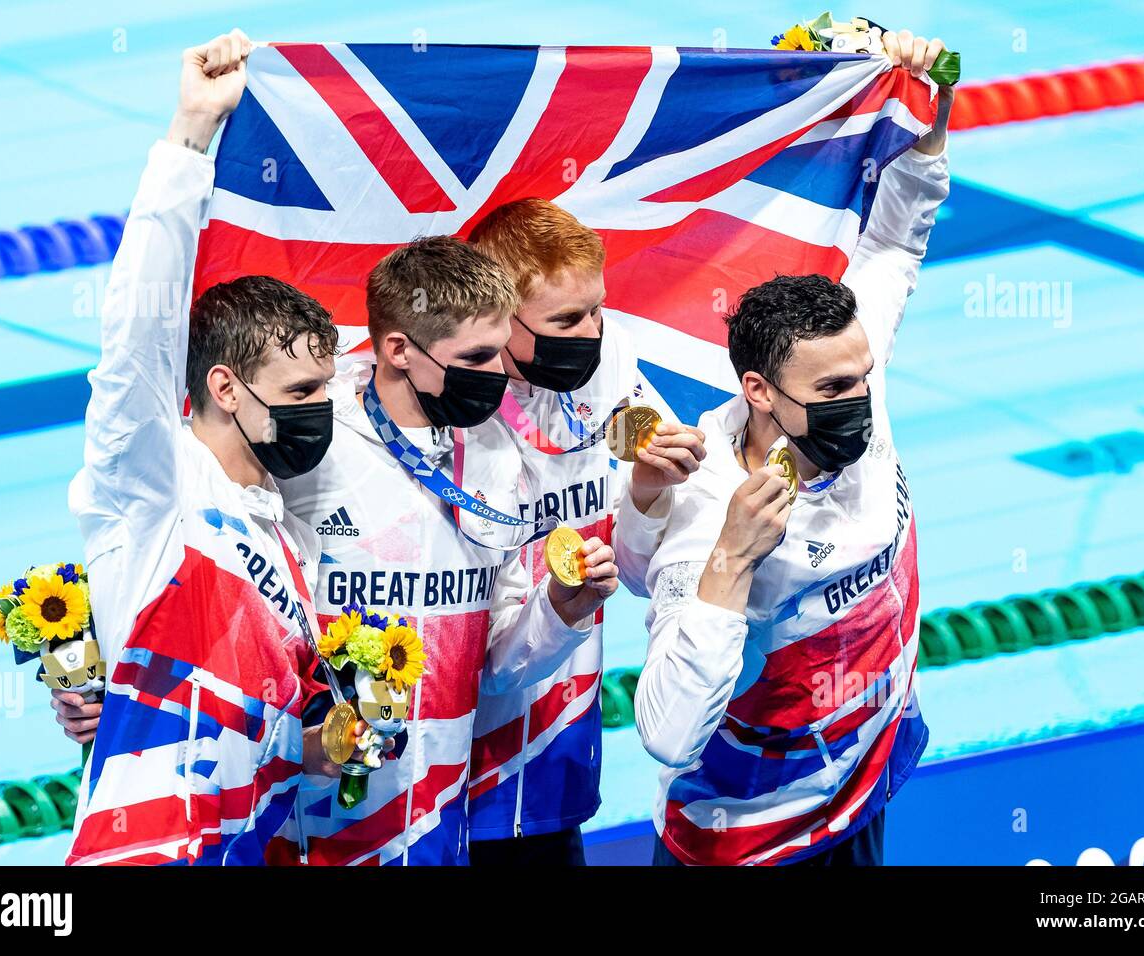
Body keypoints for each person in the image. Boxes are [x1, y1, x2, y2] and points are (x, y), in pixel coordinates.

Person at [620, 30, 954, 866]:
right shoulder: (708, 509)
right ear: (759, 392)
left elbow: (894, 244)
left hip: (863, 783)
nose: (860, 404)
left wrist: (930, 102)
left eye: (863, 380)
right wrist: (731, 563)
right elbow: (664, 735)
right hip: (753, 840)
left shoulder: (845, 362)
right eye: (834, 393)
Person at [62, 30, 338, 865]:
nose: (320, 413)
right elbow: (137, 343)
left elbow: (284, 749)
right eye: (301, 395)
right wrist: (190, 138)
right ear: (225, 389)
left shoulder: (280, 540)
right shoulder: (157, 487)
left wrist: (356, 734)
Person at [265, 235, 621, 866]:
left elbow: (502, 665)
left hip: (437, 822)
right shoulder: (311, 450)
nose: (499, 373)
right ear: (399, 349)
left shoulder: (495, 456)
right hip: (310, 823)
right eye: (478, 356)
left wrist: (562, 608)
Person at [464, 200, 706, 864]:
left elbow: (637, 567)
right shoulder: (455, 430)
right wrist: (561, 609)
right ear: (495, 319)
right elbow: (478, 657)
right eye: (567, 318)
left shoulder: (605, 371)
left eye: (597, 308)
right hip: (454, 775)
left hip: (558, 750)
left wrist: (652, 489)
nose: (592, 331)